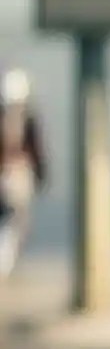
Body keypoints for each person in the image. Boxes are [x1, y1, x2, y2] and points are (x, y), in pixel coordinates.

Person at [0, 67, 48, 281]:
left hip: (11, 174)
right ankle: (3, 263)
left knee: (10, 221)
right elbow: (35, 148)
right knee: (15, 222)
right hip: (16, 175)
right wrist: (40, 174)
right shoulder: (27, 117)